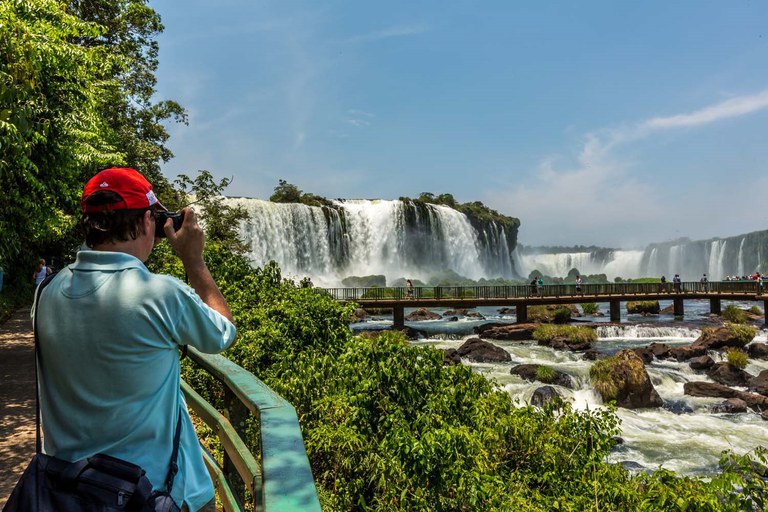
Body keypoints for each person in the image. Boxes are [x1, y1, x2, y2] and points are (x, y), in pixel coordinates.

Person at [33, 167, 236, 512]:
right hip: (154, 495)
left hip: (73, 493)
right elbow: (223, 332)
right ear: (146, 222)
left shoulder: (47, 292)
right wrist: (193, 259)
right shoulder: (160, 293)